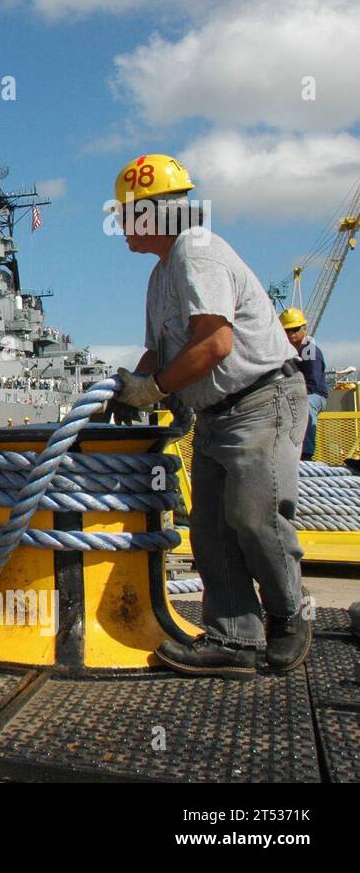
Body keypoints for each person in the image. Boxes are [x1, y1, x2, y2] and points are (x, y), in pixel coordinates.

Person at [111, 152, 308, 679]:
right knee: (213, 530)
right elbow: (158, 353)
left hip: (261, 399)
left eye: (126, 213)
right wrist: (131, 390)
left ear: (151, 215)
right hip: (217, 413)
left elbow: (216, 342)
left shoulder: (196, 253)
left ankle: (290, 616)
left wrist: (152, 388)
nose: (119, 224)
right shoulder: (160, 278)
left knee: (253, 515)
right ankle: (235, 638)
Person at [279, 308, 327, 460]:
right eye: (287, 330)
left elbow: (313, 385)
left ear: (304, 329)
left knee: (306, 406)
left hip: (315, 395)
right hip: (291, 395)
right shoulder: (283, 352)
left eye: (295, 329)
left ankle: (306, 454)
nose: (291, 333)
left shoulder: (311, 352)